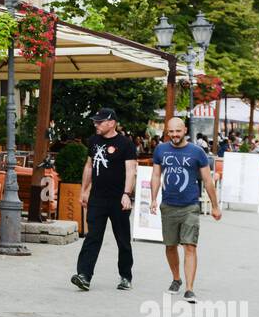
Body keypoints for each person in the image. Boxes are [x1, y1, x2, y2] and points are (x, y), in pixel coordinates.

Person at [150, 117, 220, 304]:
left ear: (184, 130)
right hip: (168, 205)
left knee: (190, 246)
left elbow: (207, 180)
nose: (174, 135)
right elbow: (156, 175)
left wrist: (214, 206)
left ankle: (189, 289)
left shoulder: (197, 152)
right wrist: (153, 199)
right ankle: (176, 279)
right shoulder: (161, 149)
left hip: (190, 205)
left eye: (177, 131)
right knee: (170, 246)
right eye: (170, 131)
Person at [71, 108, 137, 293]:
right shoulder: (93, 141)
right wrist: (84, 191)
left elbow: (131, 170)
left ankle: (125, 276)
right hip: (97, 197)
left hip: (118, 199)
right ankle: (84, 275)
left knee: (122, 239)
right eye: (95, 122)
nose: (96, 124)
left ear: (112, 123)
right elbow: (89, 166)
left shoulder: (125, 144)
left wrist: (126, 194)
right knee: (93, 236)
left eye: (99, 122)